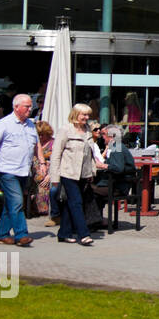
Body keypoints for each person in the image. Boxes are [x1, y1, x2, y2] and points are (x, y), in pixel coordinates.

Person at [0, 94, 47, 247]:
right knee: (17, 201)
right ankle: (21, 234)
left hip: (23, 170)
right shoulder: (3, 124)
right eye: (26, 106)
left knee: (11, 204)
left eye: (30, 106)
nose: (30, 109)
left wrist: (42, 162)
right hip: (7, 169)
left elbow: (36, 145)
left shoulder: (31, 124)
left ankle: (2, 234)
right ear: (16, 107)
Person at [49, 104, 97, 245]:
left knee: (70, 204)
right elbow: (56, 154)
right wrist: (55, 178)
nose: (86, 118)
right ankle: (83, 234)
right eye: (84, 115)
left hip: (83, 173)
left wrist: (92, 171)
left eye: (88, 115)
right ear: (76, 114)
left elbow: (90, 154)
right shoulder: (65, 130)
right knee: (76, 203)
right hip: (68, 172)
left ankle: (64, 233)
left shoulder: (88, 130)